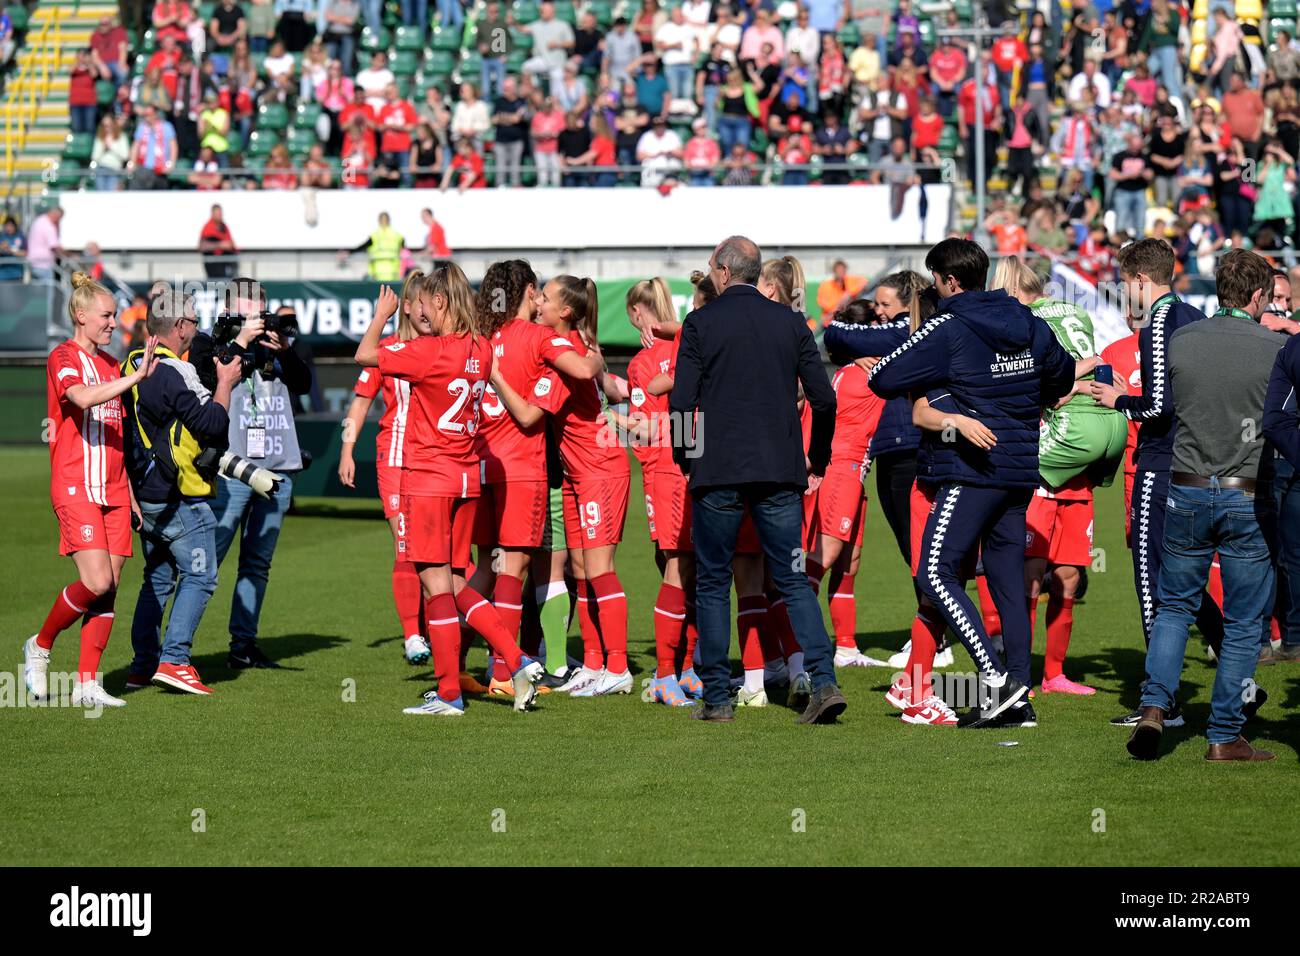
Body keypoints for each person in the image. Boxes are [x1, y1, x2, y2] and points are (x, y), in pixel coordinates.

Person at [868, 238, 1078, 729]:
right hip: (1020, 469)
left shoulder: (949, 326)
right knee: (1008, 586)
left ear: (948, 282)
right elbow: (1062, 378)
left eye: (936, 283)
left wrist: (949, 391)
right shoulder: (1029, 321)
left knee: (935, 575)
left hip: (972, 470)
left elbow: (882, 377)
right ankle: (1020, 699)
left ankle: (996, 680)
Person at [668, 235, 846, 724]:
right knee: (791, 579)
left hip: (718, 471)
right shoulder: (791, 323)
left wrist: (686, 457)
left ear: (725, 272)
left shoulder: (700, 323)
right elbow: (825, 399)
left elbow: (681, 403)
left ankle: (718, 698)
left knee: (712, 582)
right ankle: (823, 681)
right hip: (779, 472)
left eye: (710, 269)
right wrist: (818, 457)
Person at [354, 267, 545, 717]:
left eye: (423, 302)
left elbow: (365, 355)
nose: (418, 309)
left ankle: (448, 694)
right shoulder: (481, 347)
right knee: (459, 581)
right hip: (466, 477)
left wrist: (382, 316)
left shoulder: (429, 351)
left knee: (436, 585)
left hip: (429, 479)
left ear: (440, 303)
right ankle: (514, 660)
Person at [1126, 249, 1285, 762]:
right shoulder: (1273, 347)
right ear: (1258, 296)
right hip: (1246, 490)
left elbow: (1159, 405)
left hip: (1186, 485)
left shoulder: (1181, 338)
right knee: (1242, 624)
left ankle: (1154, 708)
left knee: (1173, 607)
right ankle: (1223, 734)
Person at [1089, 238, 1226, 727]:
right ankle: (1238, 679)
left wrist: (1119, 400)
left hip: (1160, 464)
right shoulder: (1192, 315)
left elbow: (1157, 407)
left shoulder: (1159, 322)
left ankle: (1158, 699)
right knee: (1183, 578)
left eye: (1126, 285)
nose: (1126, 295)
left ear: (1141, 281)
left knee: (1151, 579)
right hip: (1196, 463)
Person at [488, 276, 635, 699]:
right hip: (576, 473)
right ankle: (592, 663)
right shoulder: (565, 351)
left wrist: (497, 375)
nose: (537, 301)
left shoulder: (565, 359)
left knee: (600, 568)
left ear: (565, 312)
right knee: (581, 571)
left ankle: (619, 667)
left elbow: (532, 416)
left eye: (545, 298)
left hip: (598, 470)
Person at [21, 275, 159, 709]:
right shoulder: (63, 356)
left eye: (115, 316)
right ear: (80, 316)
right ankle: (40, 645)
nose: (114, 323)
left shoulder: (112, 365)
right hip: (75, 483)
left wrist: (132, 492)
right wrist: (135, 377)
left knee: (111, 585)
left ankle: (87, 683)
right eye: (106, 316)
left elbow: (117, 433)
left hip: (115, 488)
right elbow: (80, 399)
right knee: (95, 580)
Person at [992, 256, 1128, 696]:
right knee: (1031, 574)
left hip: (1075, 475)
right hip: (1041, 470)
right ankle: (1020, 673)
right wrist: (1076, 382)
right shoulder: (1017, 330)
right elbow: (1023, 392)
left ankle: (1054, 674)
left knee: (1068, 576)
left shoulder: (1051, 321)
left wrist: (1096, 384)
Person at [468, 261, 602, 689]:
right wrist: (595, 354)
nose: (540, 297)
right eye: (537, 291)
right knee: (513, 571)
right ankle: (506, 670)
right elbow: (582, 371)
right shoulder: (538, 338)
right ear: (527, 292)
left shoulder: (482, 338)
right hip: (520, 470)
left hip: (479, 465)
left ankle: (459, 661)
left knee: (484, 570)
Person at [120, 286, 241, 695]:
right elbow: (212, 424)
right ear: (178, 327)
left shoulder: (132, 363)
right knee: (201, 574)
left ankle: (142, 665)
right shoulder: (174, 372)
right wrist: (224, 382)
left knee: (156, 578)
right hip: (177, 494)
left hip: (143, 491)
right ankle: (174, 660)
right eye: (191, 320)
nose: (195, 327)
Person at [188, 283, 311, 670]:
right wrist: (240, 340)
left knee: (257, 563)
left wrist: (286, 351)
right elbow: (205, 379)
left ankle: (243, 646)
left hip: (278, 465)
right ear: (228, 313)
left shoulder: (278, 340)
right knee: (208, 560)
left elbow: (305, 384)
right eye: (246, 315)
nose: (256, 322)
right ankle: (176, 648)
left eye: (259, 314)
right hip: (233, 467)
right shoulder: (209, 343)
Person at [338, 272, 434, 665]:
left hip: (434, 462)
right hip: (393, 459)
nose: (430, 309)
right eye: (423, 301)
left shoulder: (443, 348)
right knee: (406, 545)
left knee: (438, 550)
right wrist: (347, 450)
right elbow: (360, 403)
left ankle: (436, 627)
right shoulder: (387, 349)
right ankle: (412, 634)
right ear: (407, 306)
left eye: (436, 300)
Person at [1263, 295, 1300, 665]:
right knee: (1263, 552)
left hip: (1289, 460)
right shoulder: (1256, 337)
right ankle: (1258, 637)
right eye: (1275, 297)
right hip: (1262, 460)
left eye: (1287, 298)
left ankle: (1292, 636)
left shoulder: (1290, 336)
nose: (1281, 305)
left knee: (1291, 553)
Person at [340, 211, 403, 281]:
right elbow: (405, 252)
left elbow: (362, 247)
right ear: (389, 220)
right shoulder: (397, 235)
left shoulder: (375, 235)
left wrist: (348, 252)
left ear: (379, 221)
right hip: (393, 272)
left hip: (377, 272)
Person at [198, 203, 238, 279]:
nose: (220, 216)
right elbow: (202, 246)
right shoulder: (208, 227)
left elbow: (231, 243)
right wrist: (219, 245)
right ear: (212, 214)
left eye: (220, 214)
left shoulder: (224, 226)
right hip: (213, 265)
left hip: (225, 263)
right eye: (217, 214)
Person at [26, 205, 64, 281]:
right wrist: (68, 255)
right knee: (47, 290)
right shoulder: (48, 225)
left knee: (36, 289)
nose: (59, 221)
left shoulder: (39, 220)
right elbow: (54, 246)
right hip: (44, 265)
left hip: (33, 262)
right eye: (59, 218)